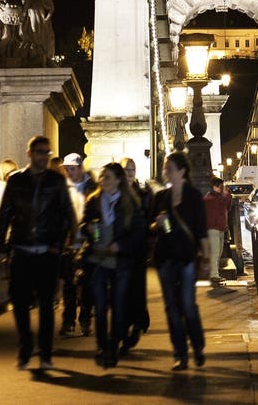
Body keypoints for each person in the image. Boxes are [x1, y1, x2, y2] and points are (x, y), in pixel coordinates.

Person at [0, 135, 74, 371]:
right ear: (29, 154)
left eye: (47, 153)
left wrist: (57, 246)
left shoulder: (56, 181)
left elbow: (66, 215)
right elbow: (5, 215)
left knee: (47, 306)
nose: (43, 156)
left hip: (46, 251)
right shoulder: (16, 181)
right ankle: (26, 345)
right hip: (21, 249)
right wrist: (1, 246)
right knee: (19, 304)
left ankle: (46, 353)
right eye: (40, 152)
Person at [81, 161, 146, 368]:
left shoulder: (131, 203)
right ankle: (103, 346)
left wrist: (121, 245)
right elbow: (83, 225)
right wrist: (87, 228)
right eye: (101, 176)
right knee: (100, 307)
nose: (102, 180)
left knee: (118, 306)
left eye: (107, 177)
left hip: (121, 262)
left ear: (118, 180)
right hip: (98, 260)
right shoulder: (93, 201)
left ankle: (114, 342)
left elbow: (139, 233)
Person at [150, 151, 210, 371]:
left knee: (187, 304)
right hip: (165, 258)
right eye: (166, 168)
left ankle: (198, 346)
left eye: (169, 168)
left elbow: (201, 230)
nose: (165, 171)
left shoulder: (194, 196)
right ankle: (180, 354)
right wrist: (157, 224)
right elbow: (152, 229)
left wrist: (206, 257)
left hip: (186, 258)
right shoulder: (160, 198)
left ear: (182, 170)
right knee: (171, 308)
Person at [59, 152, 97, 338]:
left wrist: (95, 235)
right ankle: (68, 321)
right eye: (66, 169)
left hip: (87, 242)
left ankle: (84, 320)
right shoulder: (62, 189)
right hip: (69, 241)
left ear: (80, 168)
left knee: (87, 284)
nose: (69, 173)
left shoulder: (93, 188)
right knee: (68, 285)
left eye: (72, 169)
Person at [119, 156, 152, 351]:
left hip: (138, 251)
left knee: (136, 292)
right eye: (125, 169)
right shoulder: (112, 193)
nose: (129, 172)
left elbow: (152, 219)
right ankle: (124, 331)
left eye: (132, 169)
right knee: (121, 294)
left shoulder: (145, 194)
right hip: (118, 252)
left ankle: (135, 326)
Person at [203, 175, 232, 286]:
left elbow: (227, 206)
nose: (222, 188)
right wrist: (227, 193)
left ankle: (215, 273)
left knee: (218, 251)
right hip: (213, 227)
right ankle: (214, 275)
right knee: (215, 251)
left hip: (220, 227)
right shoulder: (210, 199)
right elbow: (224, 202)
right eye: (221, 186)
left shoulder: (217, 197)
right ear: (215, 186)